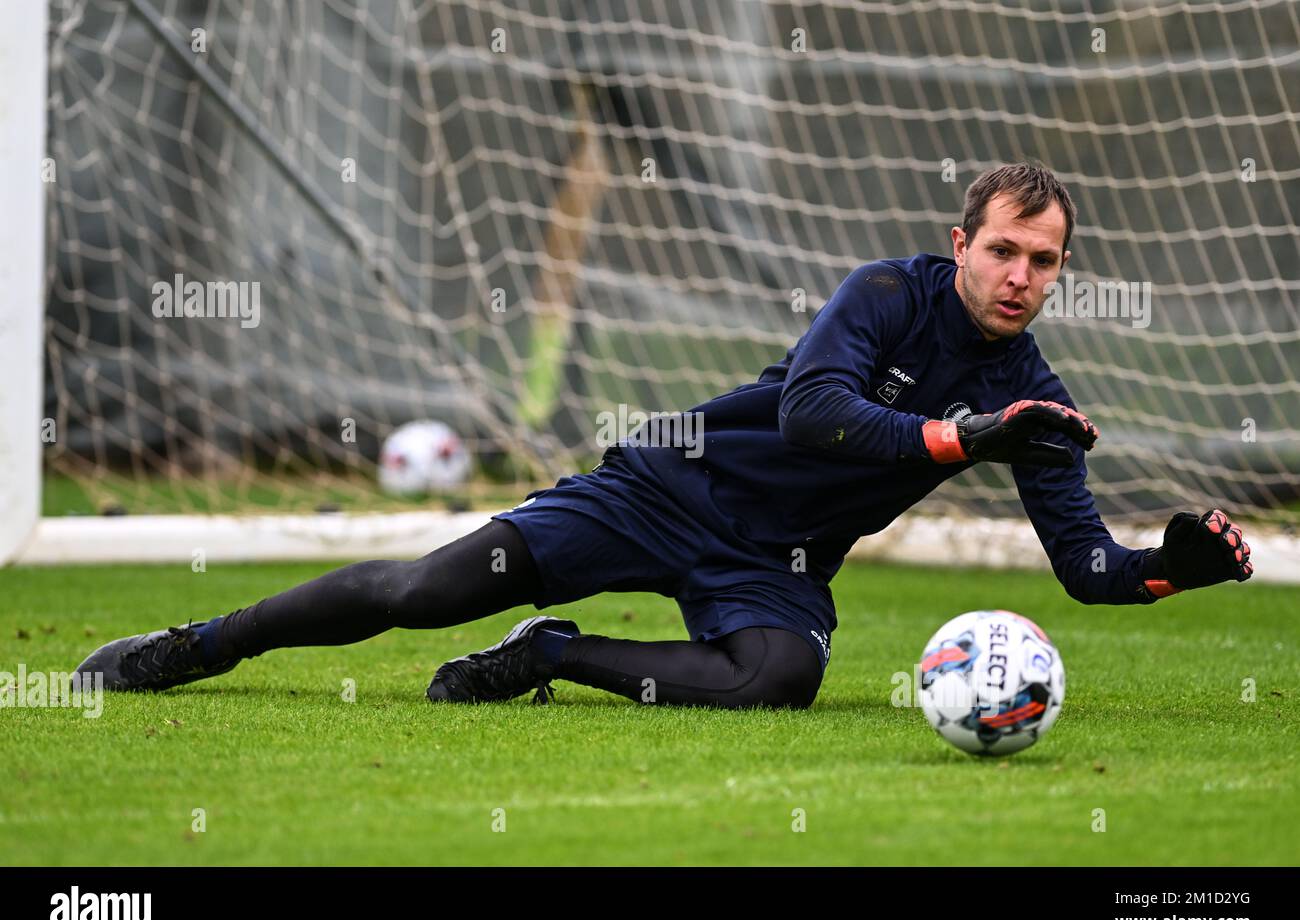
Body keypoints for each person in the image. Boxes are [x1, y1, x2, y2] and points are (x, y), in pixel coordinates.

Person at [75, 162, 1254, 709]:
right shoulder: (882, 295)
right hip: (662, 480)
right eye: (1004, 248)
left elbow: (1089, 572)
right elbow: (813, 412)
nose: (1020, 275)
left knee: (780, 677)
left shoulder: (1035, 400)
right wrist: (967, 435)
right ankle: (196, 646)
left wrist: (1170, 566)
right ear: (960, 242)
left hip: (772, 565)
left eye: (1044, 261)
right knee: (428, 588)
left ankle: (549, 656)